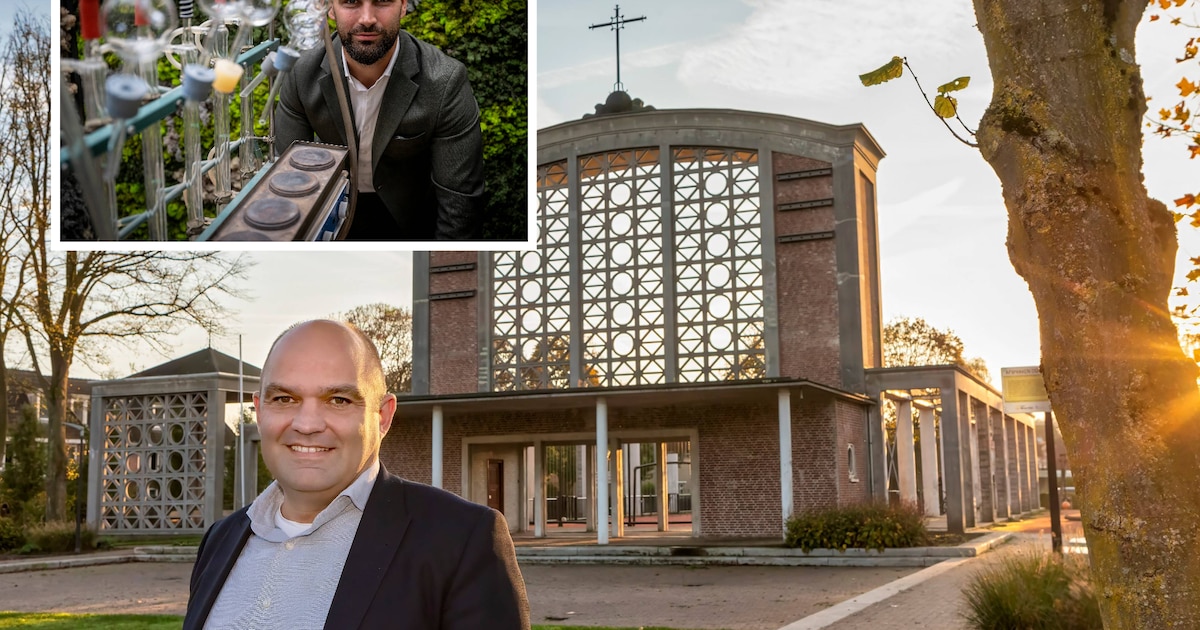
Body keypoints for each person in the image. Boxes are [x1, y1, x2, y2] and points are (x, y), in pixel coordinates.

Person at [184, 320, 529, 629]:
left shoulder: (460, 541)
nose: (306, 424)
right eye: (284, 398)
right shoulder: (220, 539)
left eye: (338, 400)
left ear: (382, 416)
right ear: (259, 412)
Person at [274, 0, 484, 240]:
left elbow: (460, 202)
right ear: (329, 8)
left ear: (404, 5)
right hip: (331, 215)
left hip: (411, 225)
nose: (367, 18)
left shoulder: (445, 82)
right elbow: (289, 186)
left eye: (382, 1)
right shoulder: (302, 75)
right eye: (351, 2)